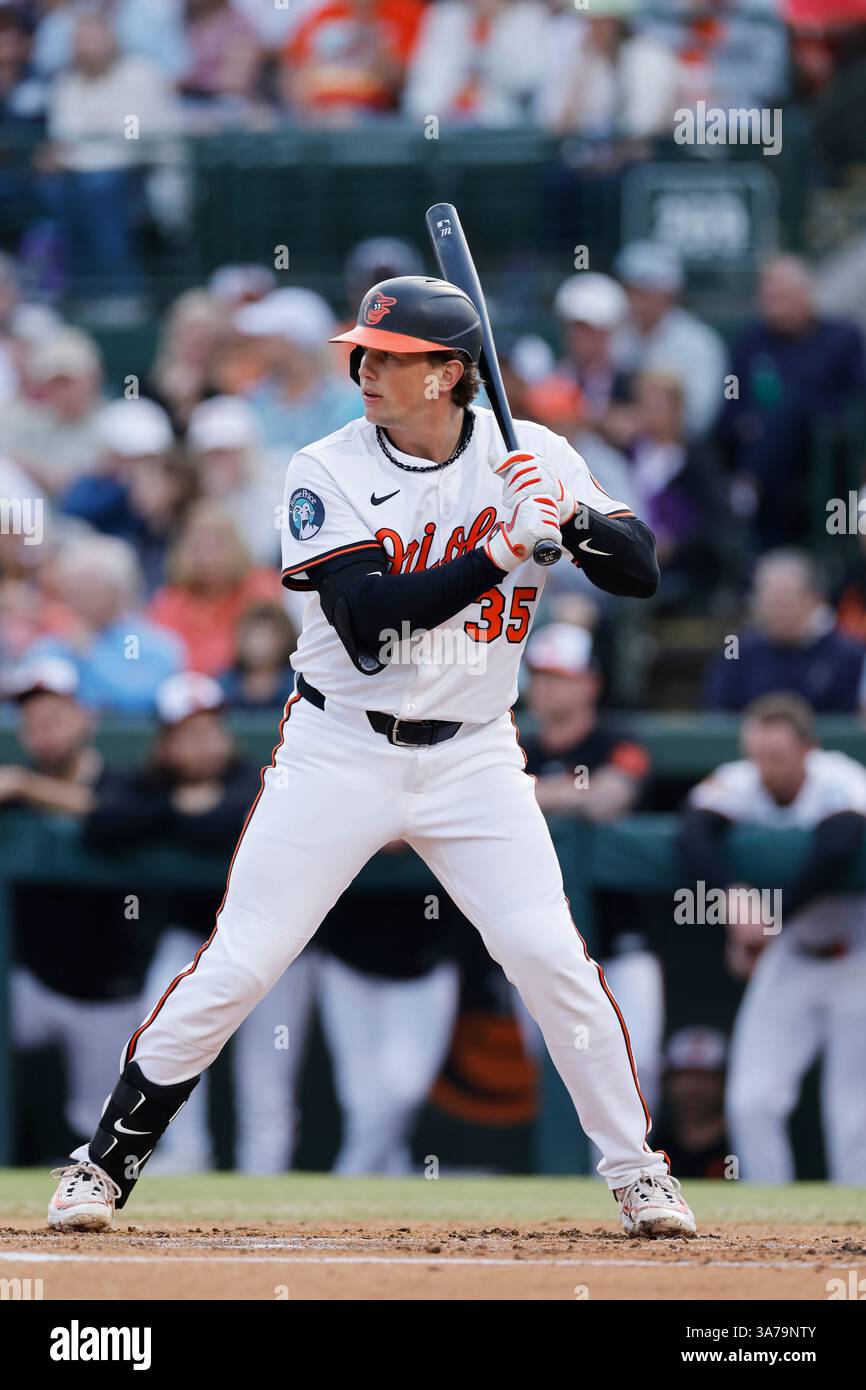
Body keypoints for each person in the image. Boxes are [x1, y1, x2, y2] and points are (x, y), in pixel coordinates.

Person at [48, 273, 695, 1240]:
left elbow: (639, 570)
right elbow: (365, 624)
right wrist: (499, 554)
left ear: (451, 375)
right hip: (339, 748)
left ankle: (639, 1173)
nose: (366, 369)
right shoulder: (326, 466)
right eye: (364, 352)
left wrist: (572, 524)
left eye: (392, 358)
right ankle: (103, 1166)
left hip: (477, 756)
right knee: (240, 964)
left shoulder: (534, 452)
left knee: (552, 960)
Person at [81, 671, 307, 1173]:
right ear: (164, 743)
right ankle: (181, 1164)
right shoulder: (149, 785)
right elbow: (102, 827)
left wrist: (187, 817)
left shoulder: (260, 776)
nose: (202, 741)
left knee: (267, 1077)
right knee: (167, 1045)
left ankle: (265, 1179)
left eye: (209, 727)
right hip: (189, 942)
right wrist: (172, 807)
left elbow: (221, 825)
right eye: (187, 731)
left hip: (272, 944)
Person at [678, 693, 866, 1183]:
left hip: (856, 954)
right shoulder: (743, 780)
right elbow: (692, 833)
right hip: (792, 956)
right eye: (757, 756)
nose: (766, 770)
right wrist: (735, 897)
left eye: (777, 758)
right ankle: (766, 1221)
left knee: (854, 1113)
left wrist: (768, 921)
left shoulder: (839, 777)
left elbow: (838, 849)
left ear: (808, 749)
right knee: (753, 1100)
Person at [0, 657, 157, 1148]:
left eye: (55, 717)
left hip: (105, 991)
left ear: (84, 717)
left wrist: (28, 787)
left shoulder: (125, 781)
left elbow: (120, 821)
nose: (43, 731)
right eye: (32, 722)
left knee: (102, 1125)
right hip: (31, 984)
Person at [517, 621, 664, 1113]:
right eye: (539, 674)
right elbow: (483, 796)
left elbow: (609, 797)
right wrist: (559, 794)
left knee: (636, 1077)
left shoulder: (616, 738)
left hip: (620, 943)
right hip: (540, 950)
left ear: (590, 683)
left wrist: (535, 795)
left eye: (560, 675)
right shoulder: (513, 743)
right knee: (559, 1085)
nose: (546, 686)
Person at [318, 846, 461, 1174]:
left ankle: (351, 1174)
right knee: (357, 1091)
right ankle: (389, 1173)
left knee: (405, 1086)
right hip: (348, 956)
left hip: (424, 960)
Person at [721, 255, 866, 547]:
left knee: (789, 409)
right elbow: (731, 390)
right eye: (769, 296)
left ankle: (750, 487)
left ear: (806, 295)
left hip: (823, 445)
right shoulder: (750, 342)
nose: (775, 305)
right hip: (755, 439)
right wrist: (741, 417)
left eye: (783, 296)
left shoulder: (841, 338)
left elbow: (856, 395)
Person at [33, 534, 186, 714]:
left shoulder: (146, 643)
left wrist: (90, 655)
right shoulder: (56, 644)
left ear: (119, 589)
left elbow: (141, 697)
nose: (83, 595)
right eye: (76, 585)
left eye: (92, 584)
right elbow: (32, 688)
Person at [703, 549, 866, 713]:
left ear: (814, 599)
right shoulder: (737, 652)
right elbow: (717, 716)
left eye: (784, 603)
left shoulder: (849, 656)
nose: (776, 612)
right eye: (769, 603)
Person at [147, 500, 283, 677]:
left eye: (216, 546)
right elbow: (159, 655)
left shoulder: (260, 588)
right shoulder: (170, 600)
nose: (207, 558)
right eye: (198, 548)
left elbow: (265, 643)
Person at [611, 240, 727, 441]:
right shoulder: (614, 331)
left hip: (677, 455)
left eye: (645, 291)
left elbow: (698, 419)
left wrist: (640, 422)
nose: (635, 299)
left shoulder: (699, 343)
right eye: (630, 289)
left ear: (669, 294)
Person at [235, 287, 361, 455]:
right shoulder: (253, 400)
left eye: (270, 337)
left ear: (294, 343)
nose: (259, 345)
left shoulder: (351, 403)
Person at [652, 1029, 730, 1182]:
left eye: (704, 1076)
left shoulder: (739, 1141)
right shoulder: (653, 1138)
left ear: (724, 1080)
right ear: (666, 1080)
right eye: (684, 1075)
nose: (693, 1088)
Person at [220, 601, 298, 710]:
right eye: (252, 634)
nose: (259, 643)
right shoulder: (223, 687)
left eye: (268, 635)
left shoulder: (298, 685)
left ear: (285, 638)